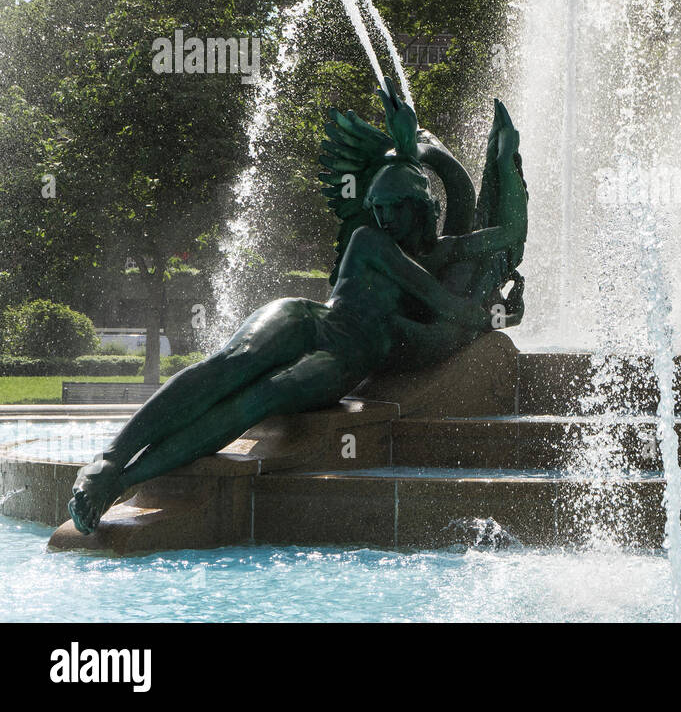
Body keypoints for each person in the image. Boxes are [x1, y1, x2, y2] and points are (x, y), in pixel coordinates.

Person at [68, 86, 526, 533]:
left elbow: (497, 234)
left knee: (261, 396)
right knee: (229, 363)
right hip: (311, 318)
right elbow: (451, 300)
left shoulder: (437, 253)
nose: (383, 219)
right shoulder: (371, 241)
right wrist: (411, 148)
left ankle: (120, 483)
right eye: (378, 208)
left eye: (393, 209)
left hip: (348, 355)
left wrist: (504, 160)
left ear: (419, 207)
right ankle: (109, 458)